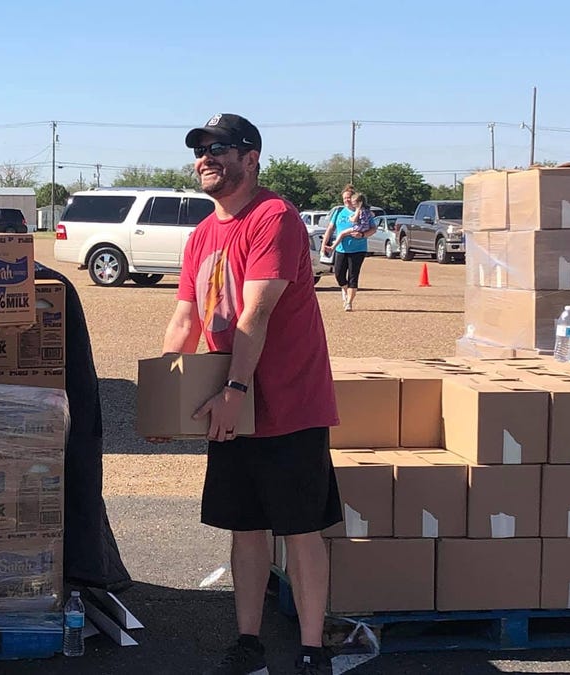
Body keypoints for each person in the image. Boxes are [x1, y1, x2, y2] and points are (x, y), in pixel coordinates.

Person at [154, 113, 342, 675]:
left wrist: (235, 386)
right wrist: (166, 393)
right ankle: (249, 642)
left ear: (251, 158)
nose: (206, 157)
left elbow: (256, 312)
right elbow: (185, 315)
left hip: (286, 401)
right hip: (228, 405)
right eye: (201, 149)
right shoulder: (203, 233)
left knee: (300, 528)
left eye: (220, 148)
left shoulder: (275, 217)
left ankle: (312, 650)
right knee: (245, 526)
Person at [321, 188, 375, 311]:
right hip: (341, 248)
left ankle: (349, 302)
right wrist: (324, 245)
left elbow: (373, 228)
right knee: (339, 274)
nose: (346, 200)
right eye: (344, 197)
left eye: (349, 197)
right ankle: (345, 290)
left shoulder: (365, 212)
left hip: (358, 249)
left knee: (353, 275)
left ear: (355, 199)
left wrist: (363, 235)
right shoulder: (339, 211)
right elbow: (330, 228)